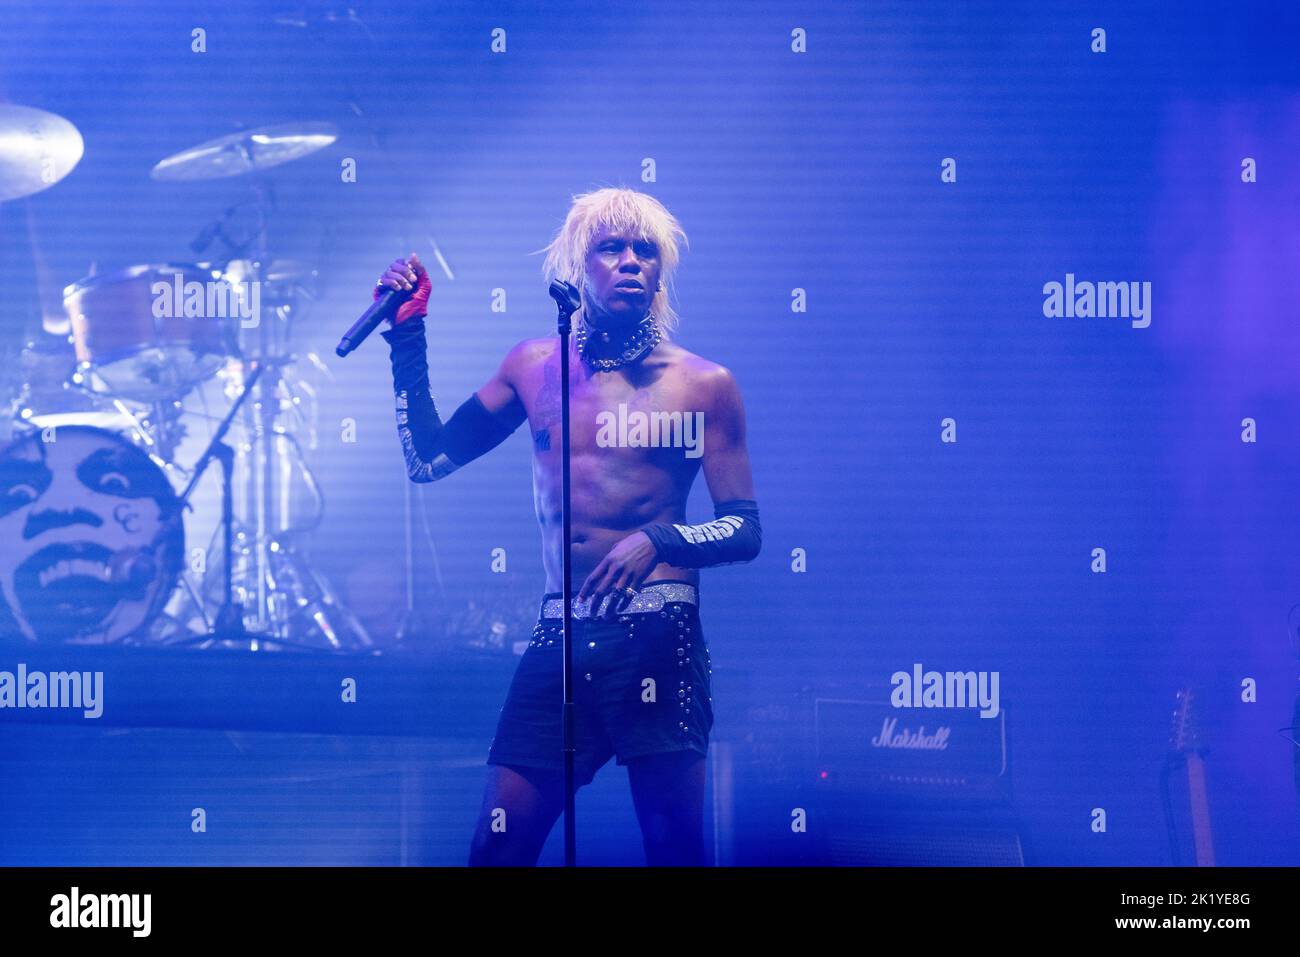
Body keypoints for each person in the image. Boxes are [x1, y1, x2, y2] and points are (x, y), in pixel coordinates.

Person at [374, 187, 760, 865]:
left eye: (646, 250)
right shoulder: (534, 366)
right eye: (612, 247)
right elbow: (427, 460)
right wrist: (408, 334)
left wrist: (660, 540)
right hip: (561, 634)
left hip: (658, 635)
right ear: (577, 267)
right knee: (495, 848)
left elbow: (744, 528)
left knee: (674, 852)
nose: (631, 261)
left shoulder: (704, 384)